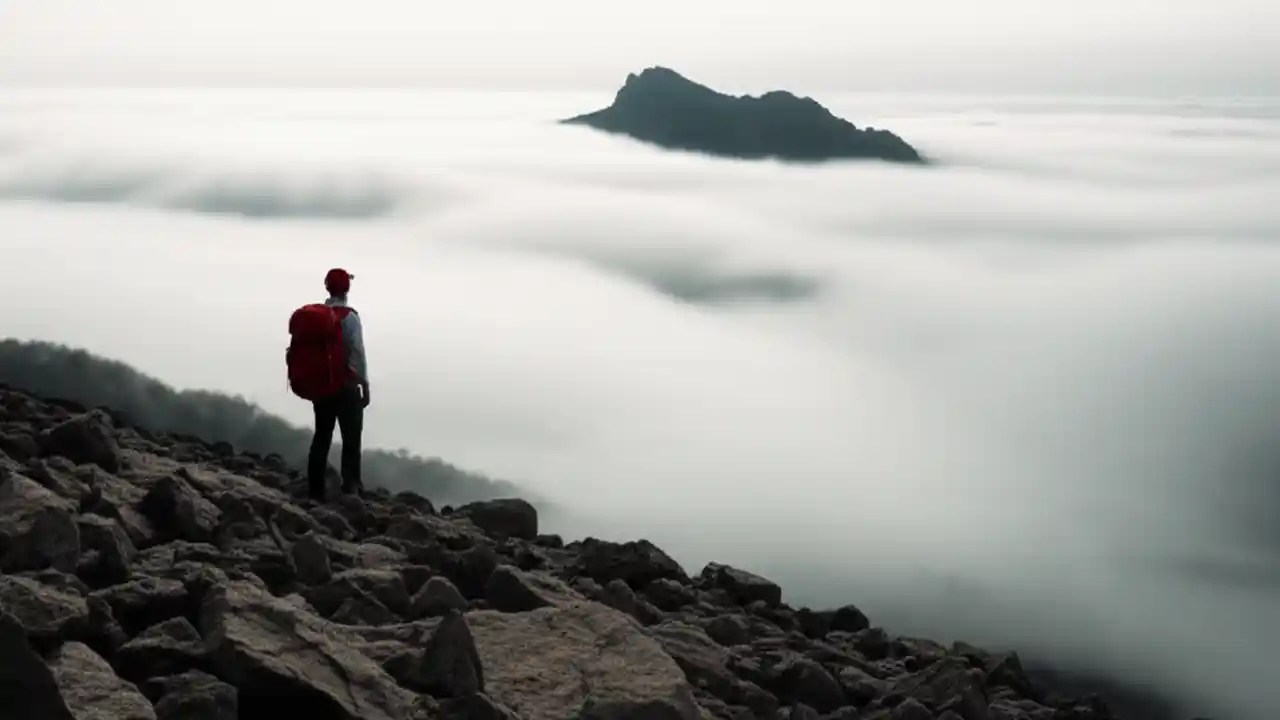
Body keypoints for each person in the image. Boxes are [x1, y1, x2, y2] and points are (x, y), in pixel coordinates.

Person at [307, 268, 370, 500]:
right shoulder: (350, 318)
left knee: (322, 435)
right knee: (351, 438)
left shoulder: (316, 316)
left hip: (322, 387)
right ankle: (351, 487)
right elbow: (358, 354)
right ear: (347, 289)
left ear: (326, 287)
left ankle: (315, 489)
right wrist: (365, 385)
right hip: (346, 386)